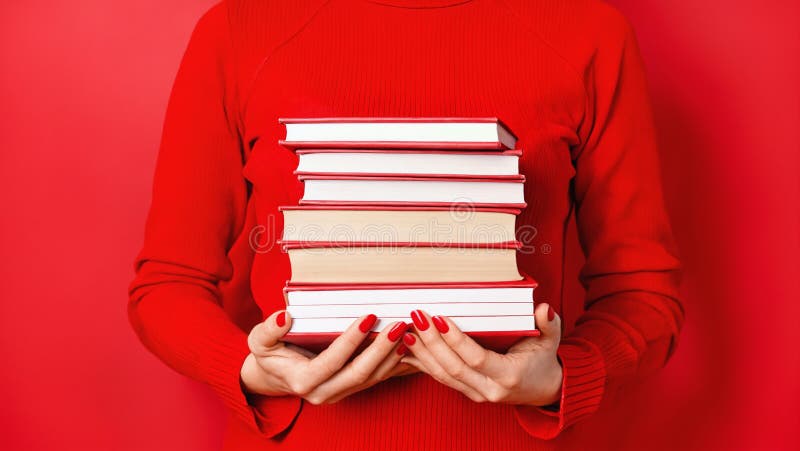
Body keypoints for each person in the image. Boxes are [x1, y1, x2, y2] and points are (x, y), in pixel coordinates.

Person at [128, 0, 684, 449]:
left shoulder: (589, 32)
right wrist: (251, 371)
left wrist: (563, 377)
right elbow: (166, 286)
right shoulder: (240, 28)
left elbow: (644, 294)